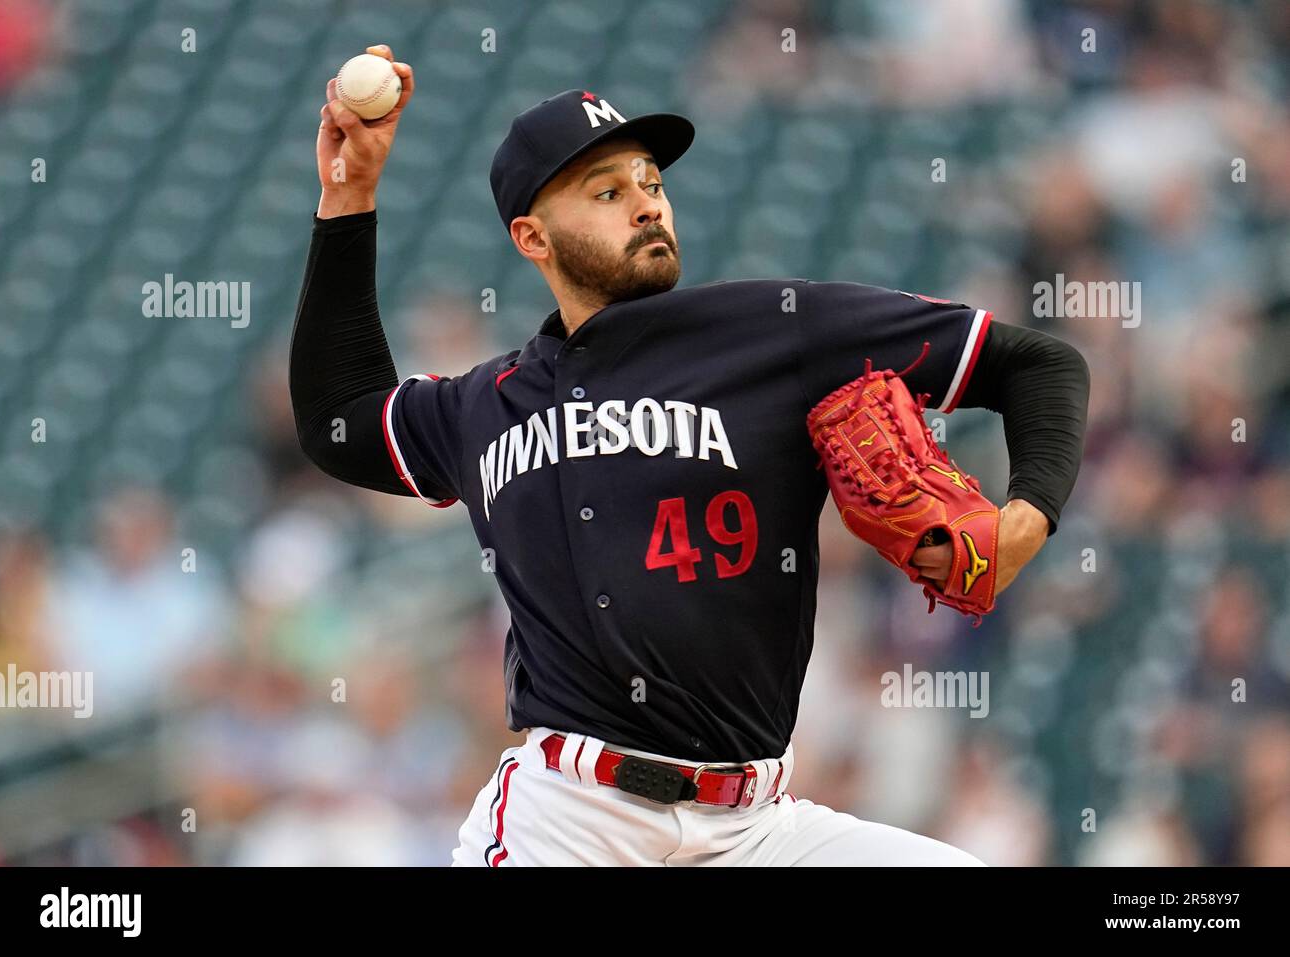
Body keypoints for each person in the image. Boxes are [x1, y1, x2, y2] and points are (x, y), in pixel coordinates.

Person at [290, 46, 1090, 866]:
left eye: (652, 184)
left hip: (757, 826)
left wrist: (1028, 514)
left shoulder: (775, 328)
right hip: (569, 823)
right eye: (607, 192)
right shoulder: (483, 405)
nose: (645, 206)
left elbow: (1037, 362)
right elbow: (338, 422)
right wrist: (348, 198)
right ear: (532, 237)